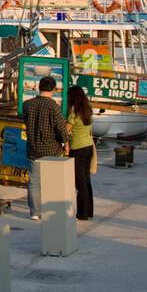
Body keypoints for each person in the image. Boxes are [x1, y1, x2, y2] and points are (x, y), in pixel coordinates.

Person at [21, 76, 70, 220]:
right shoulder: (54, 106)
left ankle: (35, 213)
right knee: (52, 181)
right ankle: (51, 209)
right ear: (53, 90)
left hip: (33, 148)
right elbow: (61, 128)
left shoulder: (27, 104)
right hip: (51, 149)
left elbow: (25, 121)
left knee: (34, 182)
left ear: (38, 87)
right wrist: (66, 143)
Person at [66, 84, 95, 220]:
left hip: (77, 148)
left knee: (80, 182)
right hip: (88, 147)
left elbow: (66, 131)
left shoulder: (73, 114)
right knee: (86, 180)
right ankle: (89, 211)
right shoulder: (87, 111)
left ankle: (82, 213)